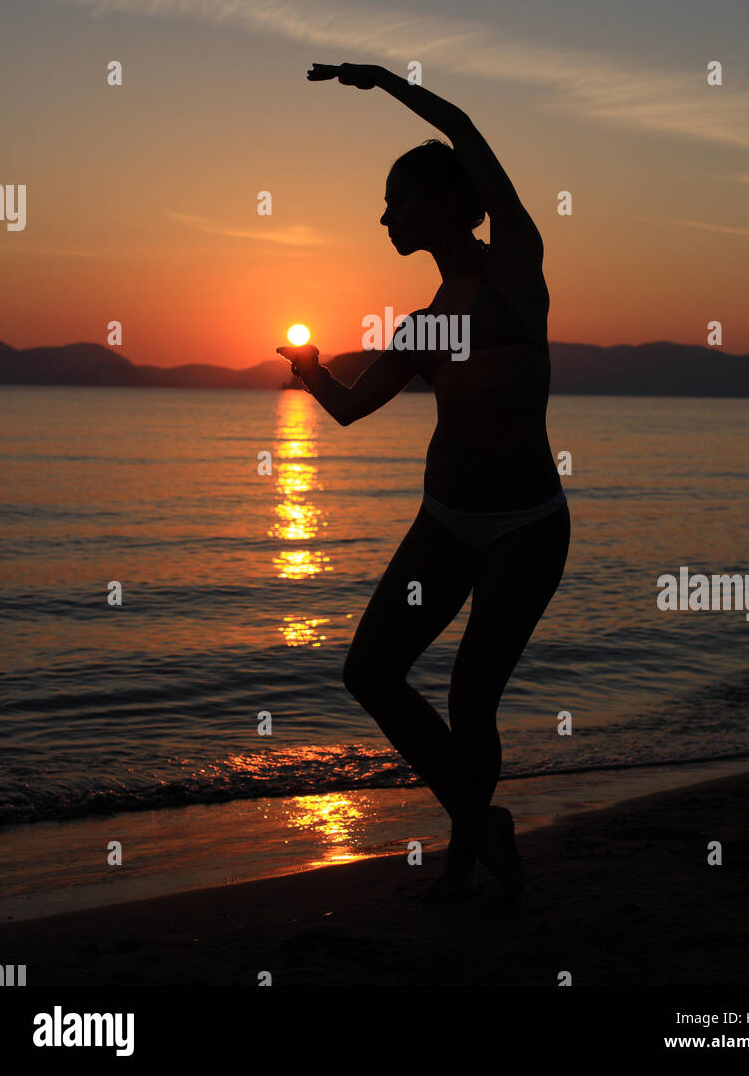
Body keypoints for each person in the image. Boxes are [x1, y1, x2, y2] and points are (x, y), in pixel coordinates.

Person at [278, 62, 570, 903]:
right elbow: (349, 409)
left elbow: (468, 131)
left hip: (525, 525)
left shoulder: (517, 264)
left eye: (397, 199)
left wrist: (381, 81)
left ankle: (464, 859)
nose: (384, 215)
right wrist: (309, 369)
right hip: (444, 524)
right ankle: (482, 828)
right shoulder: (424, 324)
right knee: (369, 672)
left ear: (445, 202)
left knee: (471, 698)